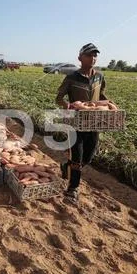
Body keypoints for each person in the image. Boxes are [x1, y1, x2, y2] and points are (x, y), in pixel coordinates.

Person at [55, 43, 113, 203]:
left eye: (95, 55)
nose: (93, 58)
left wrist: (110, 104)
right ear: (80, 58)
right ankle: (72, 189)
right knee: (77, 158)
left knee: (88, 156)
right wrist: (69, 106)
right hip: (76, 123)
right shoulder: (71, 78)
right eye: (89, 55)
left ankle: (66, 166)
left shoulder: (99, 76)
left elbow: (101, 94)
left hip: (93, 123)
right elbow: (59, 98)